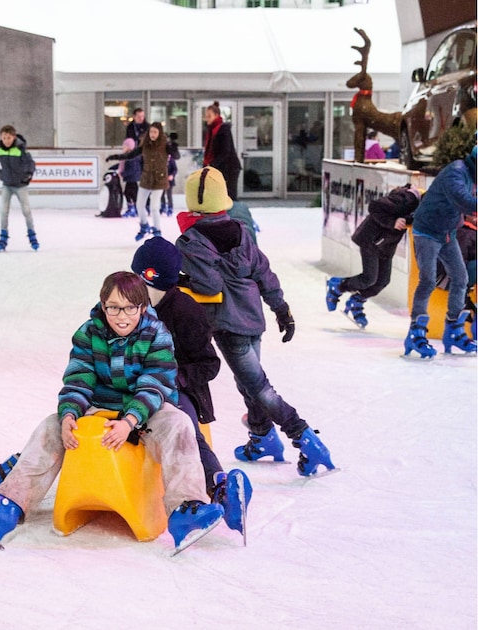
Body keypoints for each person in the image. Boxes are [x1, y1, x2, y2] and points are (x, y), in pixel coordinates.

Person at [0, 271, 228, 553]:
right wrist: (69, 414)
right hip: (101, 406)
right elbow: (79, 379)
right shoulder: (88, 333)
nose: (122, 316)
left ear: (143, 307)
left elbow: (155, 383)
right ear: (102, 305)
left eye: (130, 308)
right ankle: (9, 504)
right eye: (113, 307)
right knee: (50, 426)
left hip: (146, 410)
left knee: (180, 423)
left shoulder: (157, 334)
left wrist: (130, 420)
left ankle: (185, 509)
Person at [175, 167, 335, 478]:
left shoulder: (191, 240)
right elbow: (264, 272)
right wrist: (281, 308)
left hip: (227, 322)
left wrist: (183, 281)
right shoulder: (241, 230)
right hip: (252, 316)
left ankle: (304, 437)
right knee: (248, 381)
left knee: (260, 388)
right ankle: (262, 438)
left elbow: (209, 286)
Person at [130, 238, 250, 536]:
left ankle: (221, 487)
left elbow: (209, 364)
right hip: (130, 385)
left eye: (145, 281)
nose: (139, 289)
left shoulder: (185, 310)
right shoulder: (127, 302)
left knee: (185, 427)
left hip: (176, 387)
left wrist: (175, 379)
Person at [404, 147, 478, 357]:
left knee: (461, 278)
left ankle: (453, 329)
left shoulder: (471, 175)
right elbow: (463, 201)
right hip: (427, 231)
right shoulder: (456, 172)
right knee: (427, 280)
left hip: (447, 232)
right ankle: (415, 332)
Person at [326, 185, 421, 328]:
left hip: (386, 244)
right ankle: (338, 285)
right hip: (370, 240)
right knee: (369, 278)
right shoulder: (406, 200)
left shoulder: (419, 206)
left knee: (382, 281)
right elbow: (375, 206)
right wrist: (392, 222)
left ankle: (356, 301)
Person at [0, 124, 38, 252]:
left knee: (26, 211)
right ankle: (3, 238)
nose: (6, 140)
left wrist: (28, 174)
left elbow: (30, 163)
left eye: (8, 138)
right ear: (1, 137)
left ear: (13, 137)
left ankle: (32, 235)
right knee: (3, 212)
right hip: (7, 185)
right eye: (4, 138)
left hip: (20, 185)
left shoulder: (20, 149)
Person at [109, 122, 168, 241]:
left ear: (160, 133)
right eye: (151, 132)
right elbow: (130, 155)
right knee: (139, 205)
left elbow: (176, 156)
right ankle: (144, 225)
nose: (153, 134)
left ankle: (157, 229)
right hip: (146, 179)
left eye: (155, 132)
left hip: (159, 179)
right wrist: (115, 157)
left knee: (154, 207)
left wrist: (174, 147)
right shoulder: (144, 145)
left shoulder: (165, 145)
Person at [202, 102, 242, 200]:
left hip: (229, 168)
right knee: (219, 196)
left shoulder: (223, 129)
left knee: (229, 197)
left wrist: (212, 164)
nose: (207, 118)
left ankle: (233, 214)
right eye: (206, 116)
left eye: (209, 116)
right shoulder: (211, 130)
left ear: (216, 116)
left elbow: (225, 151)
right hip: (220, 167)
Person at [118, 137, 142, 218]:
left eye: (124, 146)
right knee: (131, 193)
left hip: (132, 178)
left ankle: (132, 209)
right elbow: (122, 165)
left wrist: (123, 174)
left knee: (129, 193)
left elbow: (133, 169)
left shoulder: (132, 157)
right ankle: (135, 208)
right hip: (131, 178)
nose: (123, 147)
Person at [160, 131, 181, 216]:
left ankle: (170, 207)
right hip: (161, 178)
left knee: (169, 194)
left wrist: (172, 175)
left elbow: (175, 169)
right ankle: (163, 206)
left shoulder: (170, 159)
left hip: (169, 180)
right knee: (161, 194)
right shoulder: (161, 160)